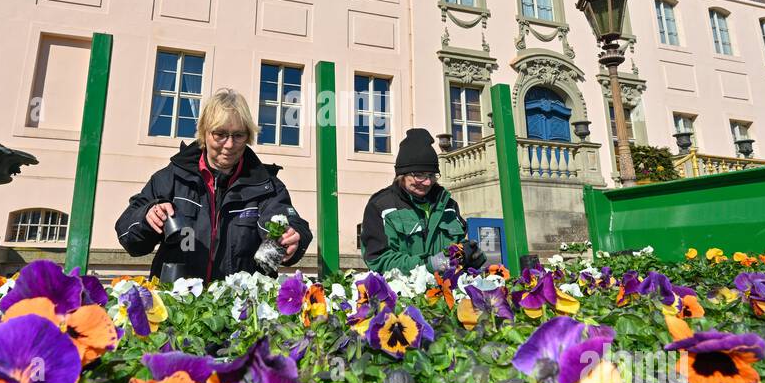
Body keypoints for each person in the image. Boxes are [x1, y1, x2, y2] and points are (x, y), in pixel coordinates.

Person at [115, 88, 312, 281]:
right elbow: (130, 240)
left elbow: (290, 223)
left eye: (238, 135)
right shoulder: (172, 178)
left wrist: (291, 239)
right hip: (178, 305)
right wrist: (148, 216)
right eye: (220, 134)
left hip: (240, 308)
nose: (229, 145)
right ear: (204, 133)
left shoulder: (267, 186)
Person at [361, 128, 487, 274]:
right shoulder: (381, 207)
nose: (427, 182)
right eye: (419, 175)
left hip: (446, 293)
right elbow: (379, 260)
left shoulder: (448, 205)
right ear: (401, 175)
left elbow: (456, 247)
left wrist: (470, 256)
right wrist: (431, 265)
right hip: (400, 294)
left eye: (432, 175)